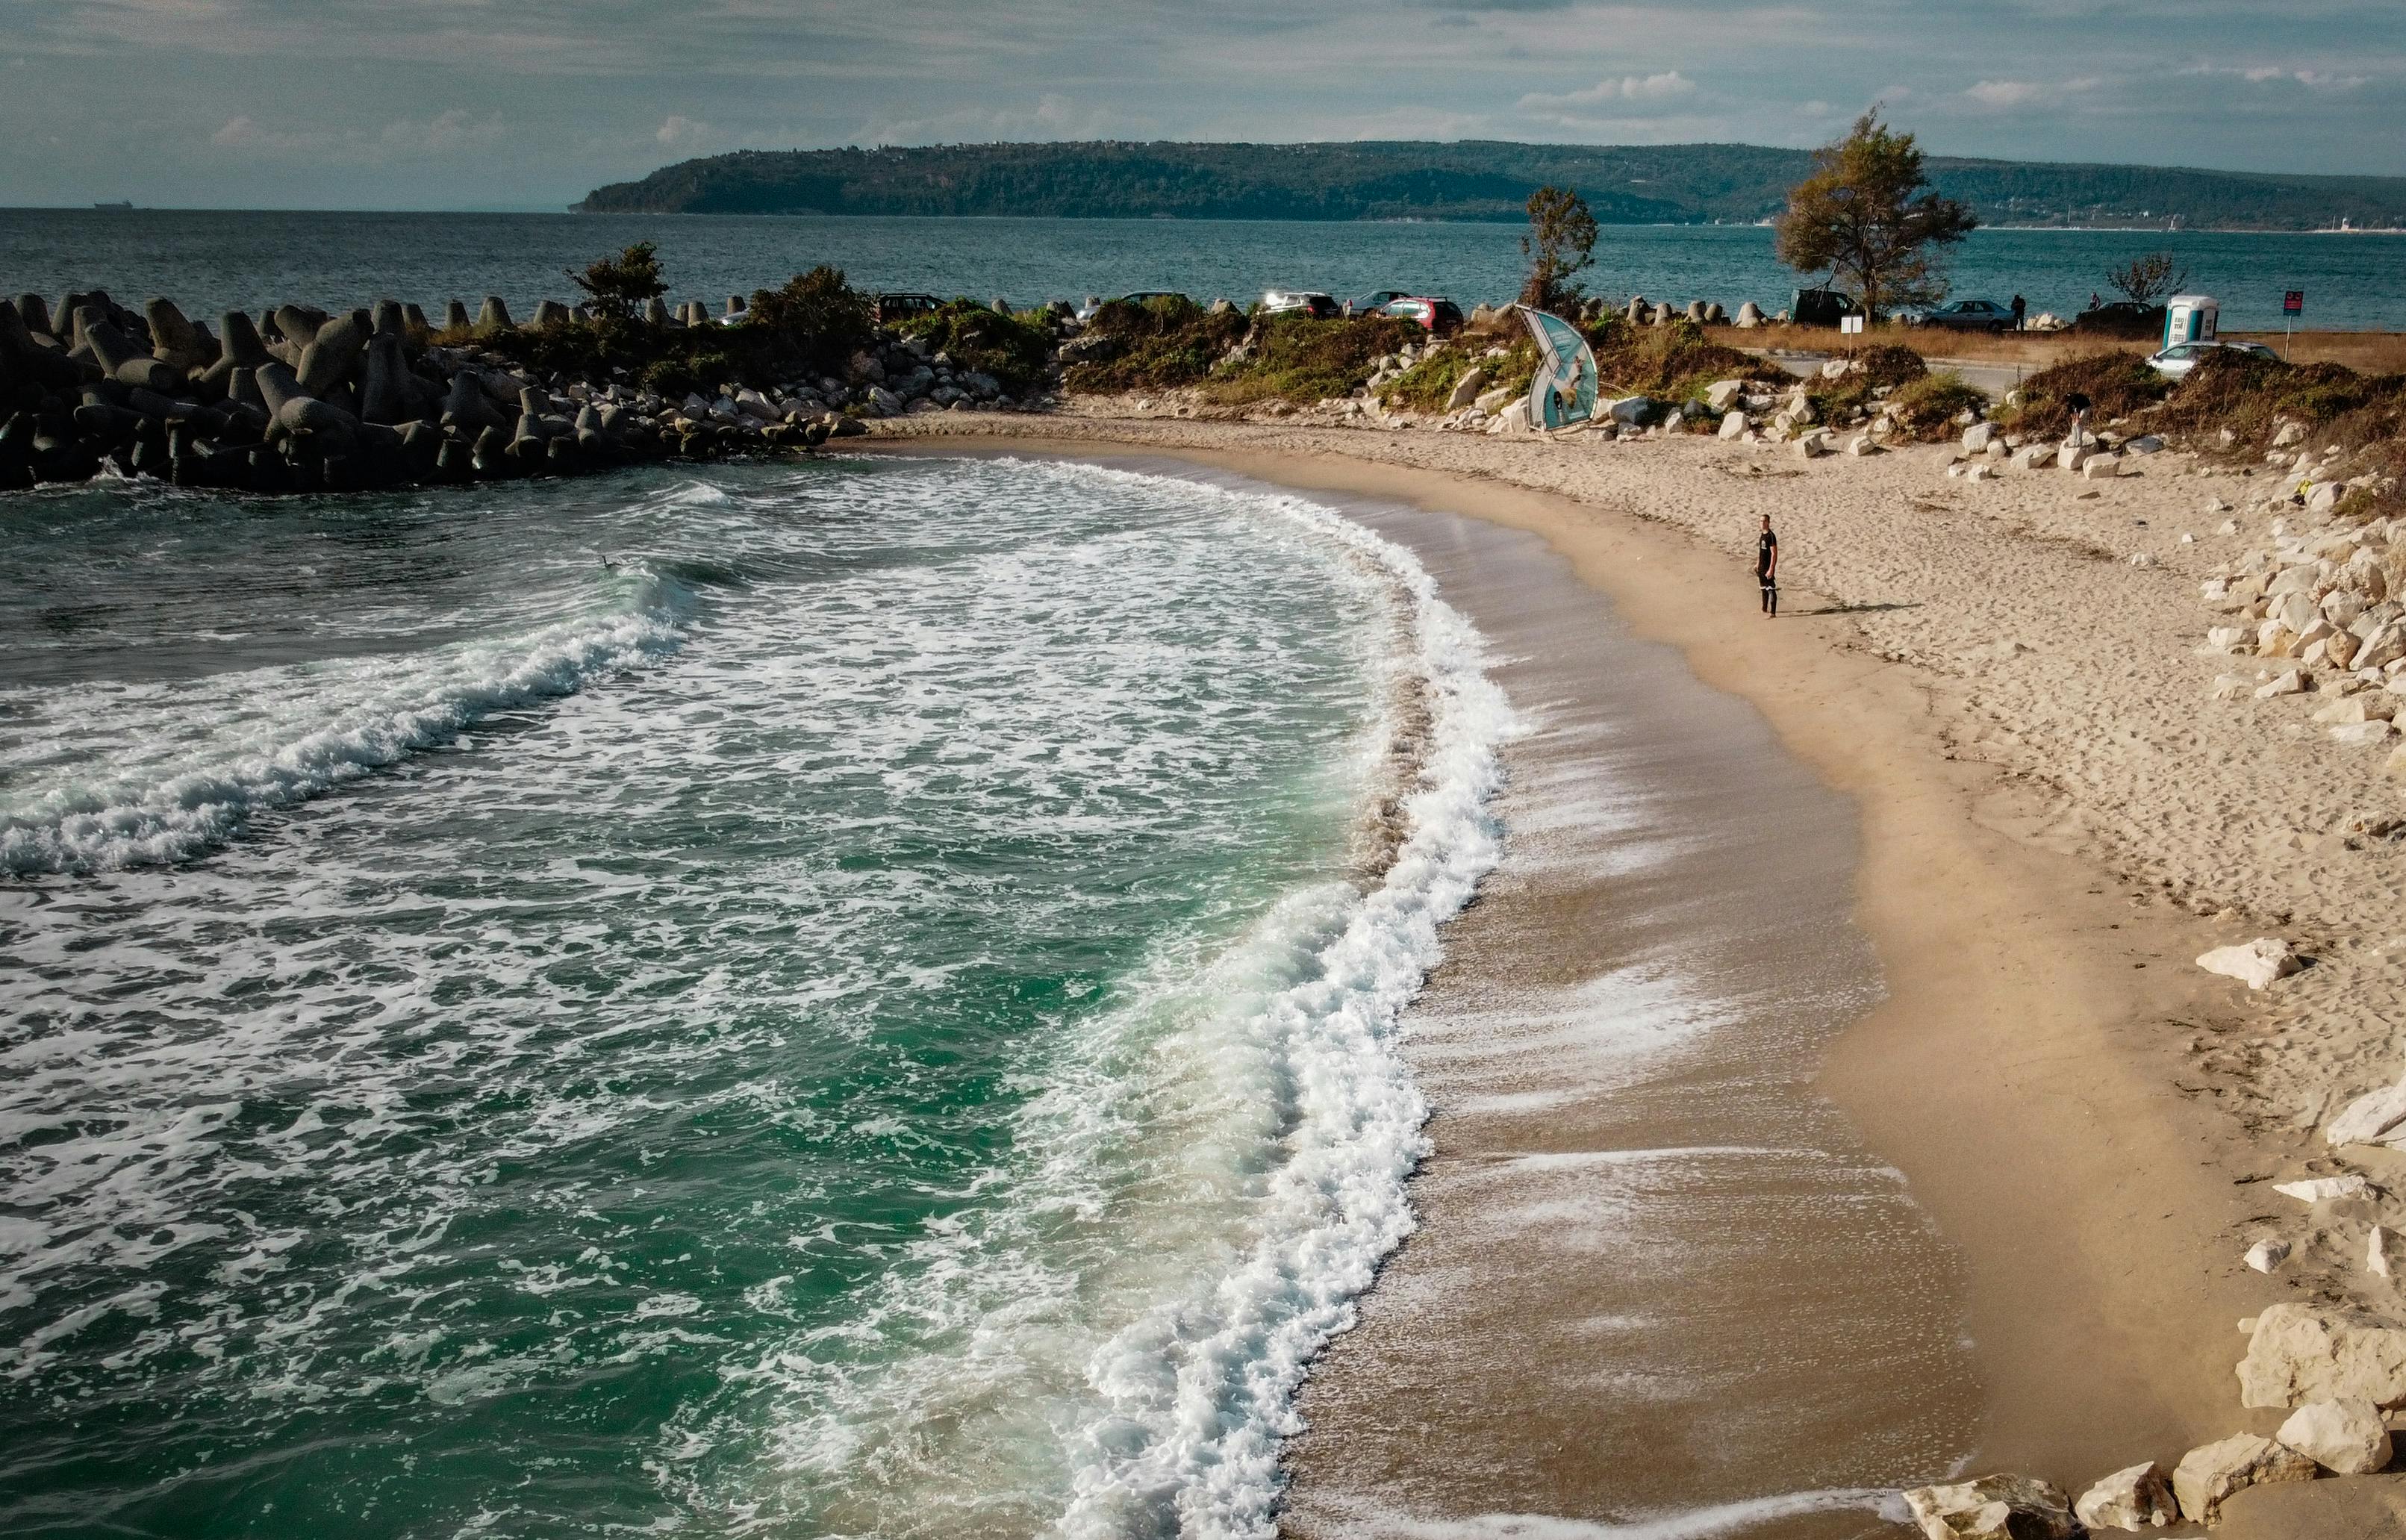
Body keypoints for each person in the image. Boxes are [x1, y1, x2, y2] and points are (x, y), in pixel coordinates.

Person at [1757, 514, 1779, 618]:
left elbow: (1774, 553)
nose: (1763, 523)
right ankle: (1764, 608)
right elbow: (1761, 551)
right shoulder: (1762, 535)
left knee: (1770, 589)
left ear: (1768, 522)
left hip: (1768, 567)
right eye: (1761, 521)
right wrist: (1757, 563)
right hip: (1761, 566)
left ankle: (1773, 613)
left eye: (1765, 521)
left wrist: (1771, 569)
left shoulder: (1771, 536)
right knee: (1763, 588)